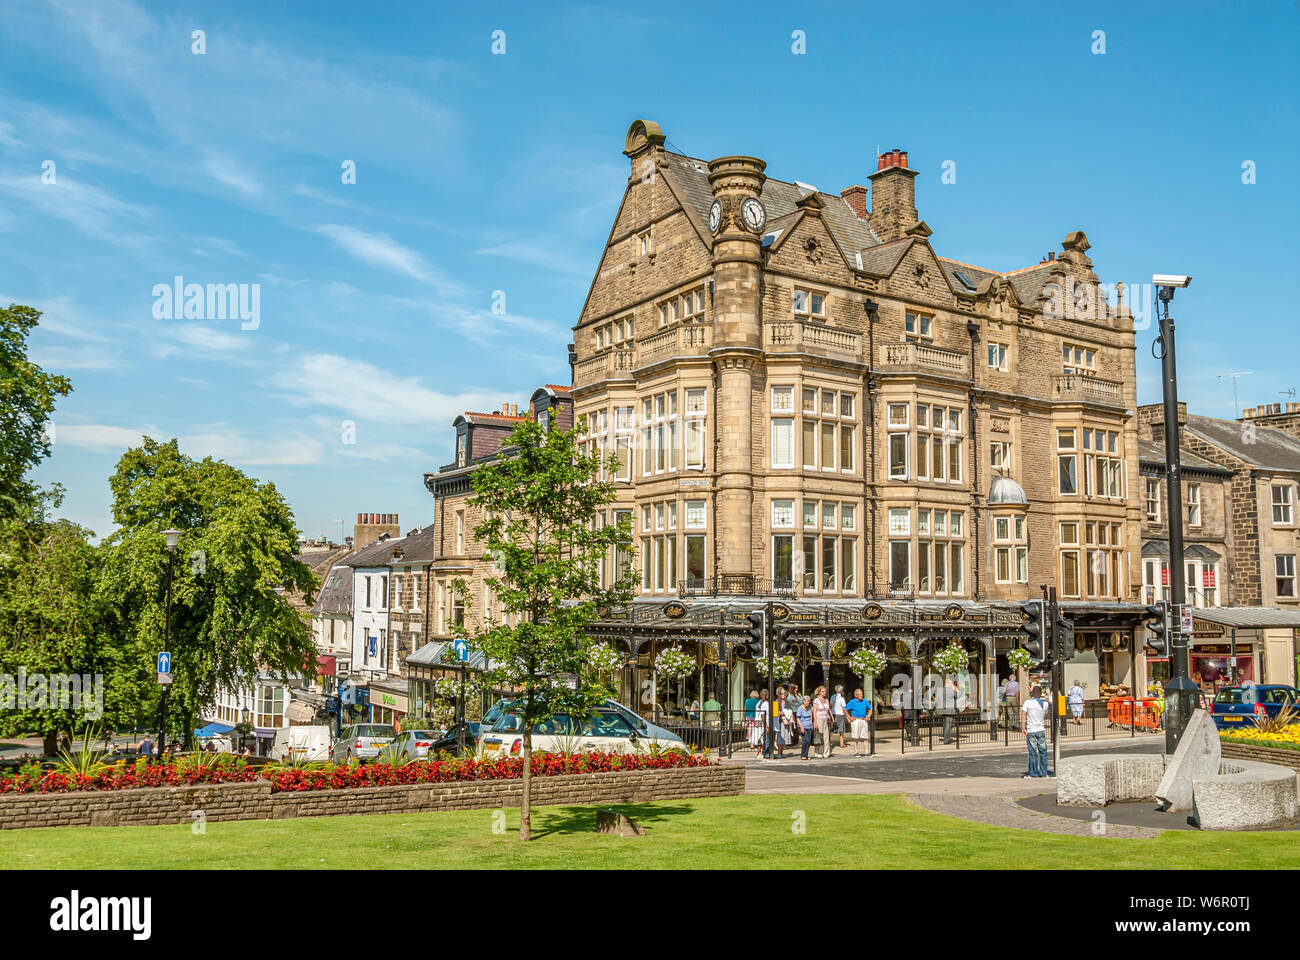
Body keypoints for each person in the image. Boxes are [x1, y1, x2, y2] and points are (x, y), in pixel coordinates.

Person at [1021, 685, 1049, 778]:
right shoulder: (1045, 704)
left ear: (1032, 693)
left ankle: (1033, 773)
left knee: (1033, 753)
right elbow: (1045, 714)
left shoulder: (1027, 702)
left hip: (1031, 730)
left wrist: (1023, 728)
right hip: (1040, 729)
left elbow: (1023, 715)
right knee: (1043, 752)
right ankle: (1043, 772)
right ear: (1040, 693)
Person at [845, 687, 871, 756]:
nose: (861, 696)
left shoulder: (865, 701)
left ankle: (867, 752)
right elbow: (844, 709)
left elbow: (870, 708)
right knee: (855, 736)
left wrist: (868, 716)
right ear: (856, 695)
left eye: (862, 694)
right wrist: (849, 717)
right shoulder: (852, 702)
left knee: (865, 736)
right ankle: (856, 752)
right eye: (860, 694)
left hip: (863, 720)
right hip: (856, 720)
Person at [812, 686, 832, 759]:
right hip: (819, 718)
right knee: (819, 736)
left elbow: (828, 710)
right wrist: (815, 722)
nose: (824, 693)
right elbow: (814, 711)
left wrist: (830, 719)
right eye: (823, 691)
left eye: (825, 691)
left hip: (825, 719)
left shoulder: (826, 700)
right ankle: (818, 752)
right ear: (819, 692)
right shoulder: (816, 700)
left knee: (826, 736)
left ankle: (826, 752)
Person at [939, 676, 960, 744]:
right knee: (948, 725)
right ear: (948, 683)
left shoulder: (940, 690)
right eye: (951, 683)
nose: (952, 684)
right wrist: (955, 688)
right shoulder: (951, 690)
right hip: (950, 710)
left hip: (943, 710)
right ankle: (946, 740)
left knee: (945, 724)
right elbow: (959, 695)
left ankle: (946, 737)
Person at [830, 684, 848, 750]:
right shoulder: (841, 698)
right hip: (840, 714)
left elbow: (830, 705)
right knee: (841, 730)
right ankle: (841, 743)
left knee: (832, 729)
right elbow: (844, 708)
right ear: (841, 691)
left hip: (834, 713)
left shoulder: (832, 697)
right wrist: (847, 716)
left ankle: (828, 741)